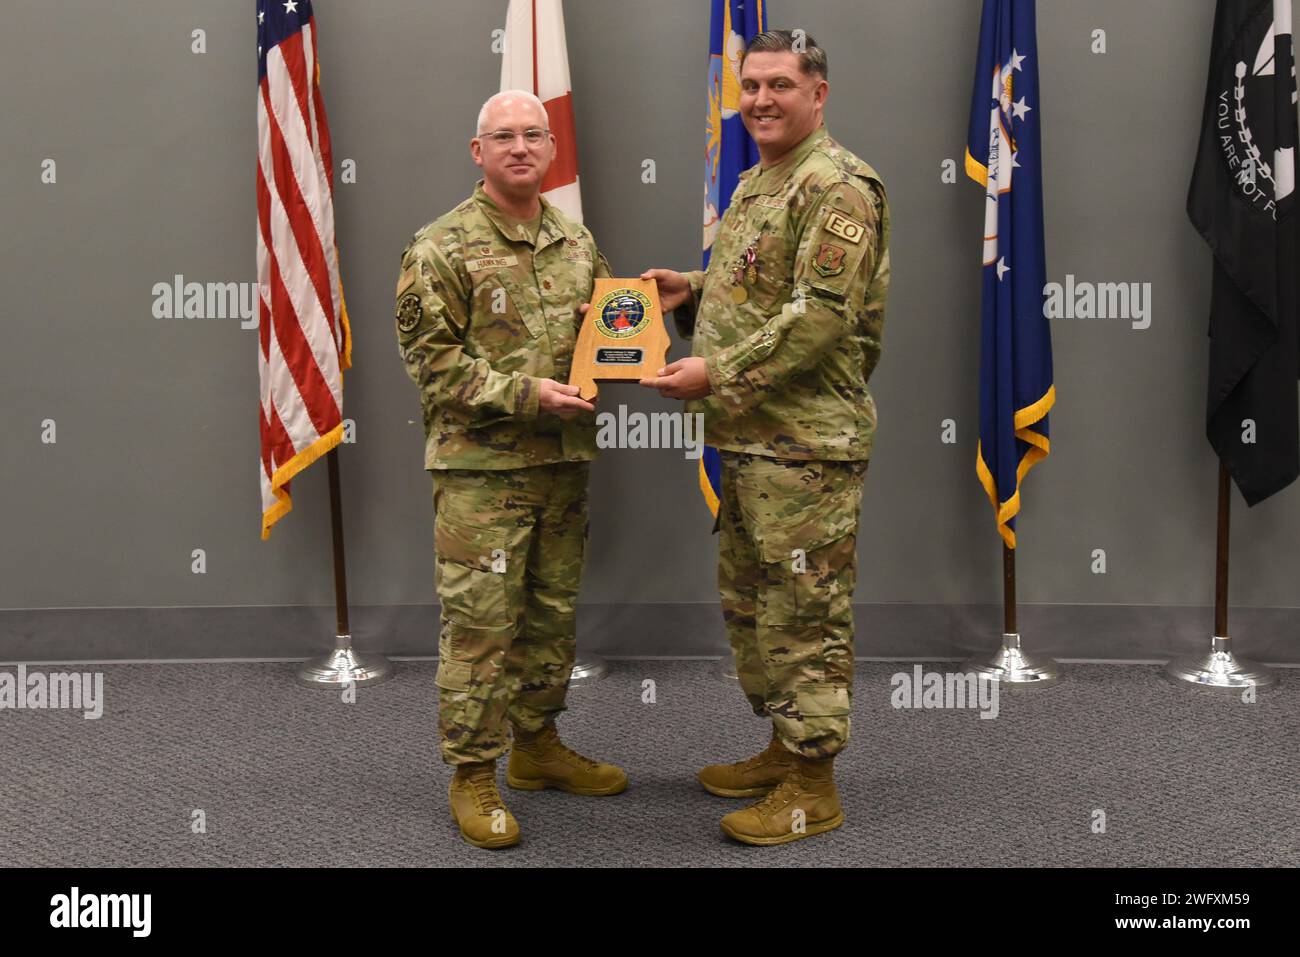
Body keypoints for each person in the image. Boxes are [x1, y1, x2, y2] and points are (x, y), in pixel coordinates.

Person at [640, 31, 891, 846]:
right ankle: (782, 747)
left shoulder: (839, 186)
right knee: (756, 611)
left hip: (805, 450)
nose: (760, 100)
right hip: (750, 438)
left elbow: (817, 315)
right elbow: (757, 288)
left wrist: (713, 372)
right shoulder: (761, 179)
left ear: (819, 94)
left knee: (805, 613)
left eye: (780, 84)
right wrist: (692, 288)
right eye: (750, 85)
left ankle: (814, 782)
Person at [395, 90, 627, 850]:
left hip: (562, 467)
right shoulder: (441, 246)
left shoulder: (575, 240)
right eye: (503, 137)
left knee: (550, 618)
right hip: (481, 475)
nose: (520, 146)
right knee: (482, 628)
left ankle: (537, 747)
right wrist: (527, 394)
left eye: (533, 134)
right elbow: (434, 366)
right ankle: (472, 774)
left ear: (551, 147)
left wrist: (647, 324)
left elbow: (611, 328)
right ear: (478, 151)